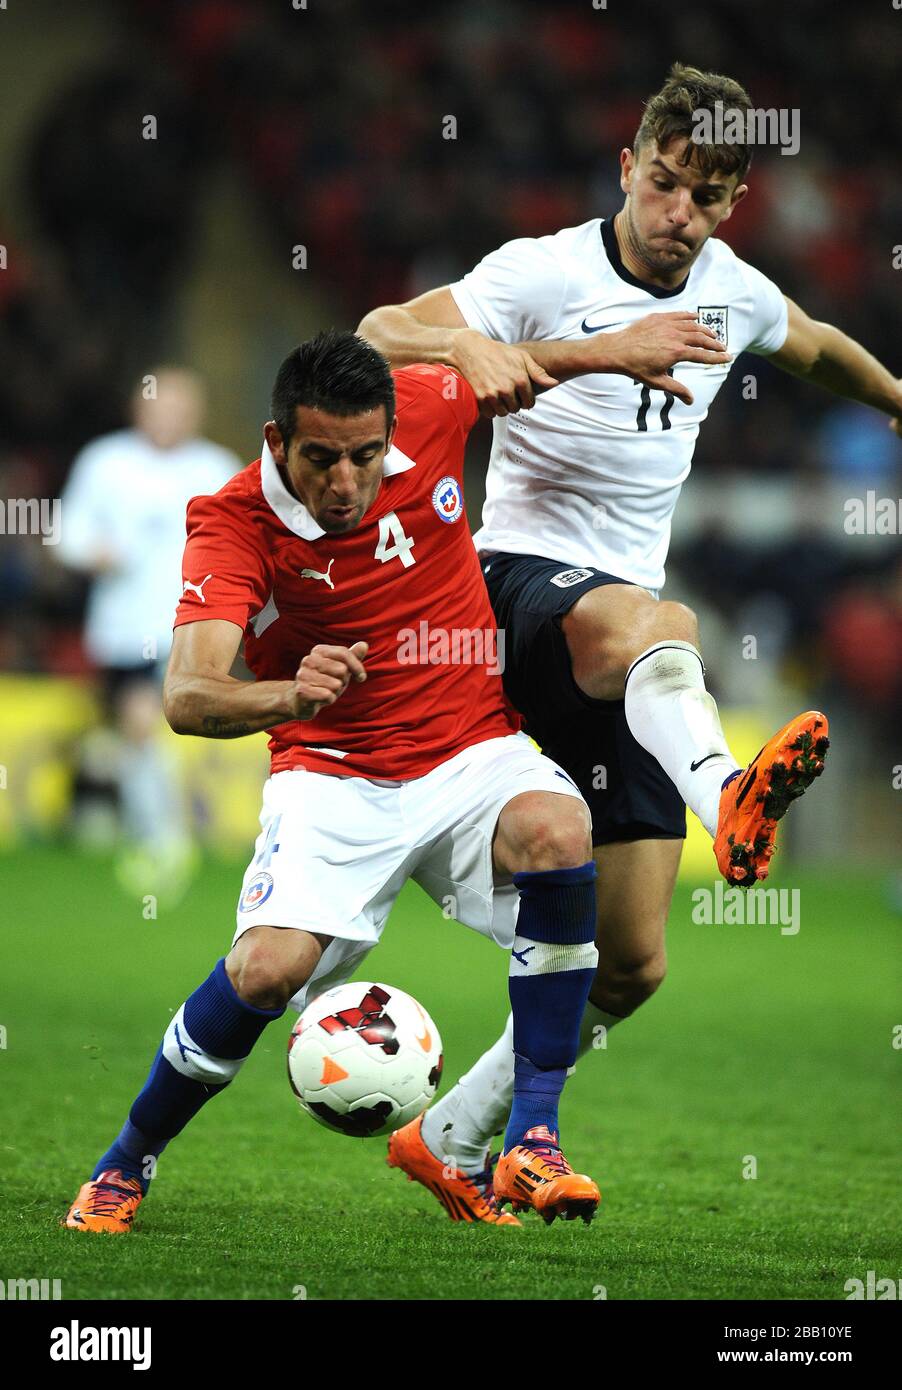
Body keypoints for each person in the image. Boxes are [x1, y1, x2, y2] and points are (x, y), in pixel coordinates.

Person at [357, 62, 900, 1220]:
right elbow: (377, 331)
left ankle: (452, 1138)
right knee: (664, 623)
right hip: (509, 591)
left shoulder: (734, 295)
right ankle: (727, 796)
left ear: (732, 201)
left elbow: (810, 342)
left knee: (631, 963)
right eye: (661, 185)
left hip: (622, 654)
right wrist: (459, 352)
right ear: (627, 166)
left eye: (704, 199)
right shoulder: (540, 271)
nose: (676, 217)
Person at [65, 330, 607, 1235]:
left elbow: (524, 354)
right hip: (335, 771)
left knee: (561, 830)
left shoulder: (433, 405)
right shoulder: (232, 519)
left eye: (366, 456)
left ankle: (532, 1137)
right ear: (278, 443)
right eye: (322, 459)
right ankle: (125, 1164)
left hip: (471, 747)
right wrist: (288, 692)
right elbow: (188, 696)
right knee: (266, 972)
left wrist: (628, 343)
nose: (348, 481)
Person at [58, 367, 239, 886]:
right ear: (140, 409)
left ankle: (162, 839)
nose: (169, 417)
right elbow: (66, 532)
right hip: (122, 626)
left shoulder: (214, 466)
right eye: (161, 406)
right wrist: (96, 553)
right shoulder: (105, 462)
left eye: (180, 409)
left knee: (144, 723)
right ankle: (152, 829)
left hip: (194, 627)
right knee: (135, 732)